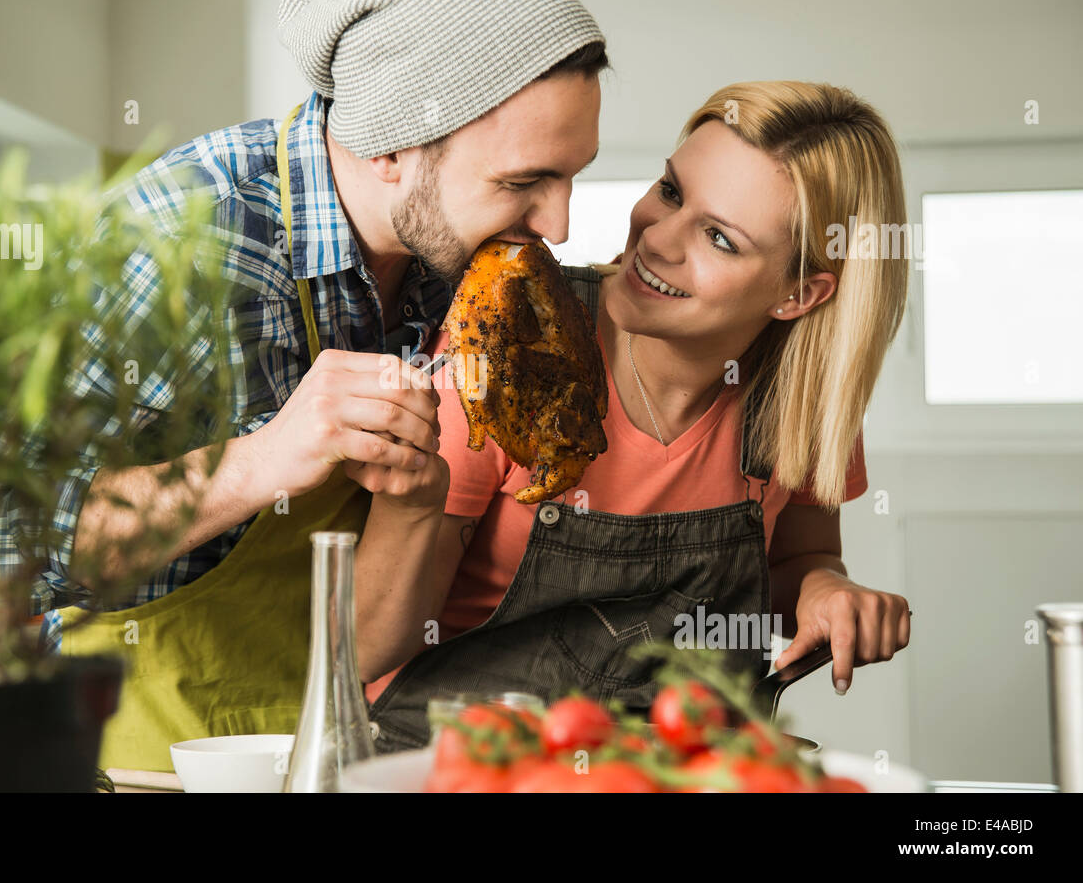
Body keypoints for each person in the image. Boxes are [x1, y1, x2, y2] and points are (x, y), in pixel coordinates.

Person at [0, 0, 608, 772]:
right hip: (118, 760)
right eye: (526, 181)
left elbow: (378, 626)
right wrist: (263, 460)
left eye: (570, 177)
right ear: (390, 147)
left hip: (322, 753)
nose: (555, 224)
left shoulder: (453, 263)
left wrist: (417, 507)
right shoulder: (184, 238)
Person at [352, 81, 914, 752]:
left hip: (674, 765)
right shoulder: (519, 343)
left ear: (798, 294)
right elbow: (361, 650)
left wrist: (826, 589)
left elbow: (801, 556)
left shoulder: (802, 399)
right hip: (459, 761)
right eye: (672, 192)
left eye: (719, 239)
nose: (658, 240)